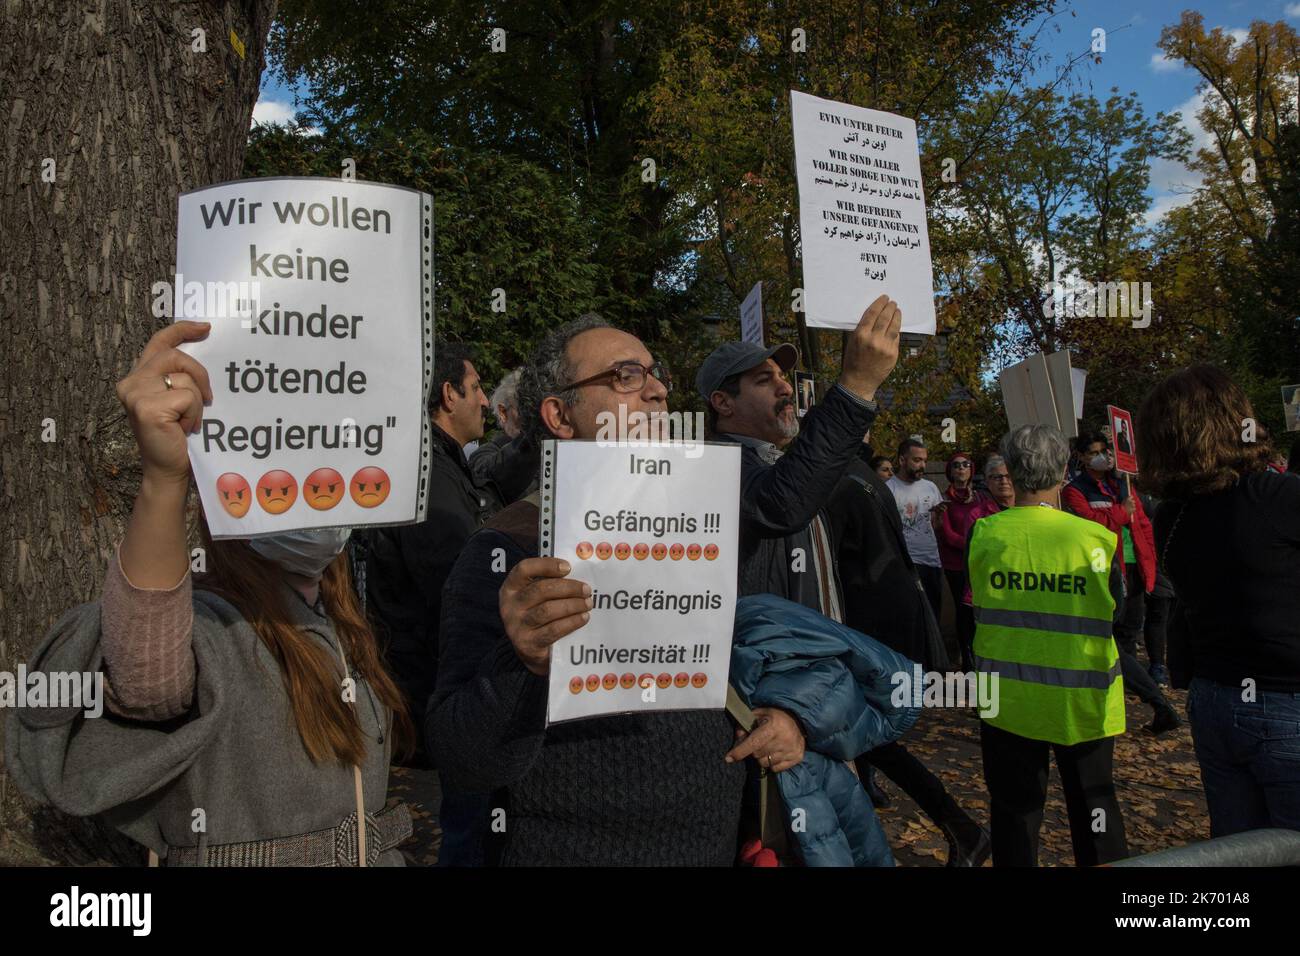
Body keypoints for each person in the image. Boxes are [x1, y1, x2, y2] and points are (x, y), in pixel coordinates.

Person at [6, 321, 415, 866]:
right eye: (277, 450)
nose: (309, 478)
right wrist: (163, 481)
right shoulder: (213, 624)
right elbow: (147, 678)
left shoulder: (337, 623)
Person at [430, 314, 747, 865]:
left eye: (655, 374)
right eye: (625, 376)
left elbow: (739, 668)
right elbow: (462, 759)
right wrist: (520, 663)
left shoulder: (702, 532)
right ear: (559, 414)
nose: (657, 390)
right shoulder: (502, 553)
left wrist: (774, 719)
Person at [1140, 366, 1300, 837]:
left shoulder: (1173, 514)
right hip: (1284, 703)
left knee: (1238, 847)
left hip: (1216, 702)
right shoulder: (1276, 496)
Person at [827, 434, 992, 867]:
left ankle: (958, 825)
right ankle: (954, 824)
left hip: (862, 629)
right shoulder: (864, 479)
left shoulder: (839, 483)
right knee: (860, 735)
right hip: (879, 626)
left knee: (861, 733)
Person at [970, 425, 1129, 867]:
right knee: (1095, 811)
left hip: (1008, 699)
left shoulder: (984, 534)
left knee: (1016, 816)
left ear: (1011, 472)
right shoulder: (1096, 539)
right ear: (1063, 470)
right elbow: (1117, 612)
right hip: (1084, 697)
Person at [361, 342, 496, 865]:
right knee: (468, 833)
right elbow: (456, 586)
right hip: (439, 684)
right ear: (448, 394)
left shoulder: (437, 465)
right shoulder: (429, 474)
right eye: (478, 386)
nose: (485, 400)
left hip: (431, 680)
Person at [1063, 430, 1180, 734]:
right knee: (1110, 640)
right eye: (1095, 452)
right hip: (1105, 569)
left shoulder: (1122, 486)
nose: (1103, 456)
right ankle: (1155, 701)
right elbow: (1089, 525)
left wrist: (1151, 567)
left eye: (1105, 450)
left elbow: (1141, 525)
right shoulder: (1075, 490)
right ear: (1082, 458)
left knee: (1127, 636)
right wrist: (1119, 512)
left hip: (1133, 569)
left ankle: (1142, 698)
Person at [936, 452, 993, 671]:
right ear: (950, 471)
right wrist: (974, 543)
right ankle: (967, 660)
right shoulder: (944, 500)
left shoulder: (981, 498)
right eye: (956, 465)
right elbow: (948, 535)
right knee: (963, 612)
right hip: (956, 564)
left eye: (966, 464)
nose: (961, 468)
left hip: (978, 563)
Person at [887, 438, 946, 620]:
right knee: (909, 617)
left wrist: (939, 517)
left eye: (925, 460)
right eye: (917, 460)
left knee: (933, 615)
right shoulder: (889, 489)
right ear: (902, 460)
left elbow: (935, 526)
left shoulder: (930, 487)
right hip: (905, 562)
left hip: (931, 561)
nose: (923, 465)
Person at [469, 368, 536, 505]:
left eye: (535, 405)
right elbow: (489, 475)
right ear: (503, 412)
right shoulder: (484, 454)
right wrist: (536, 433)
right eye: (524, 406)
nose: (532, 413)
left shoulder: (551, 449)